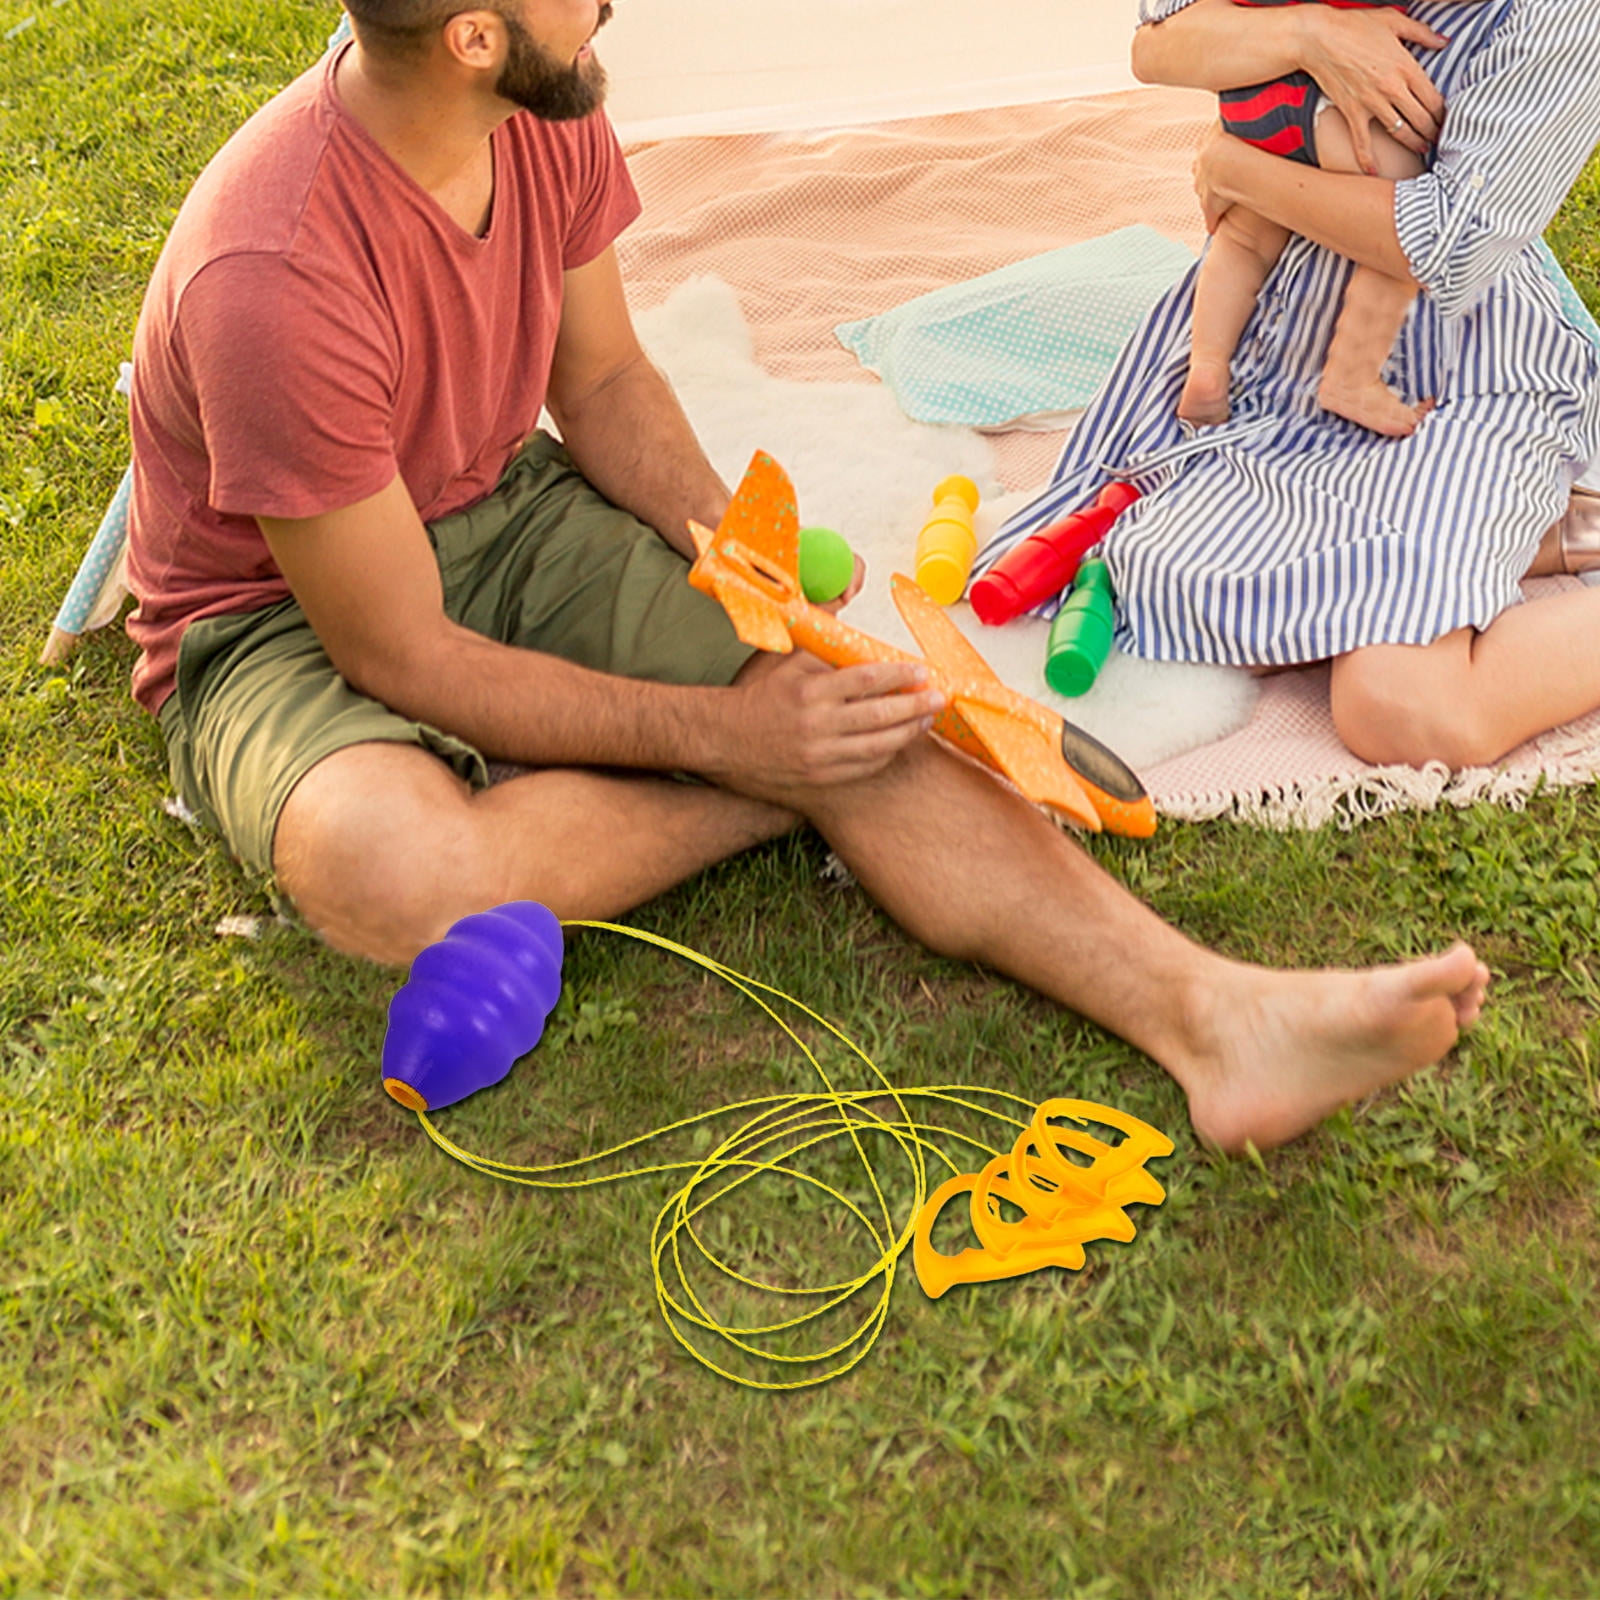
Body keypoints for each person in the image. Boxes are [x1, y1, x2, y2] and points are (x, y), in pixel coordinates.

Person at [122, 0, 1490, 1156]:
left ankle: (1217, 1020)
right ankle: (771, 785)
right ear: (475, 37)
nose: (606, 5)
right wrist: (738, 743)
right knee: (397, 872)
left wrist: (740, 556)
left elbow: (604, 383)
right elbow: (400, 653)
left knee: (827, 686)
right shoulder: (275, 277)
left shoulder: (541, 105)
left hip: (500, 505)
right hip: (274, 621)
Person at [979, 0, 1600, 772]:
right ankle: (1551, 533)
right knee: (1150, 587)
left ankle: (1504, 524)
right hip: (1273, 330)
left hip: (1445, 368)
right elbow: (1157, 43)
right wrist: (1310, 32)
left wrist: (1238, 167)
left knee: (1404, 706)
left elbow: (1447, 247)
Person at [1180, 0, 1486, 438]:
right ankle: (1353, 376)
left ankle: (1207, 368)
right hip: (1324, 94)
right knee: (1407, 210)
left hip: (1246, 95)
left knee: (1244, 241)